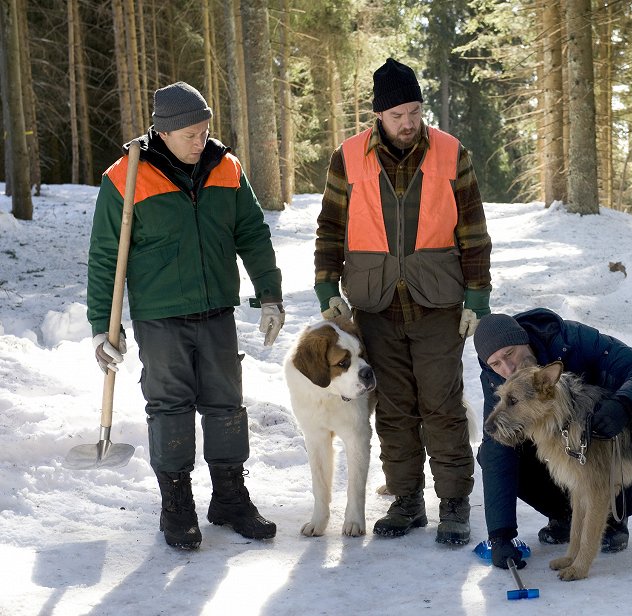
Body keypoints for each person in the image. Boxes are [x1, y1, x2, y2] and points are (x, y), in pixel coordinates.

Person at [87, 81, 285, 550]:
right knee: (170, 407)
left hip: (217, 309)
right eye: (191, 134)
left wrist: (270, 294)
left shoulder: (226, 167)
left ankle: (230, 498)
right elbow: (104, 257)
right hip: (161, 316)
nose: (202, 141)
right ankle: (176, 504)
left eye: (205, 131)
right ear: (165, 132)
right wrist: (102, 327)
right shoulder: (125, 177)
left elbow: (252, 234)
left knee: (226, 406)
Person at [314, 58, 492, 545]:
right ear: (379, 116)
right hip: (374, 303)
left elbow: (473, 232)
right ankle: (407, 499)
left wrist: (478, 294)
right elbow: (330, 227)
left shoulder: (451, 153)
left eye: (415, 111)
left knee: (441, 404)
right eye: (398, 115)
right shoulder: (347, 158)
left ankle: (454, 501)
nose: (409, 122)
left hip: (437, 302)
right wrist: (327, 287)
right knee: (392, 406)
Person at [473, 309, 632, 569]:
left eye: (510, 354)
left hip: (606, 437)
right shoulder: (499, 379)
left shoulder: (571, 339)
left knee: (603, 451)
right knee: (493, 451)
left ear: (524, 338)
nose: (508, 368)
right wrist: (500, 535)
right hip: (557, 444)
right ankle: (564, 516)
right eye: (496, 363)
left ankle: (614, 519)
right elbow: (497, 453)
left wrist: (625, 405)